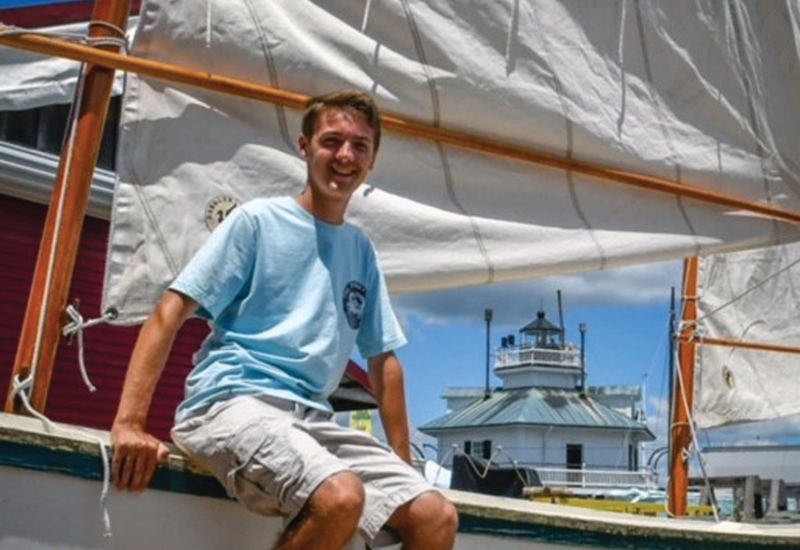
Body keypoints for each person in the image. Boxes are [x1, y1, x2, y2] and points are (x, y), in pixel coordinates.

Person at [110, 90, 458, 550]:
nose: (345, 156)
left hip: (311, 421)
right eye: (332, 141)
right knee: (339, 496)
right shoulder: (257, 222)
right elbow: (170, 311)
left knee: (436, 516)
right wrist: (129, 422)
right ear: (304, 146)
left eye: (360, 146)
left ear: (371, 162)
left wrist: (404, 468)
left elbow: (384, 362)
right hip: (231, 404)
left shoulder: (361, 252)